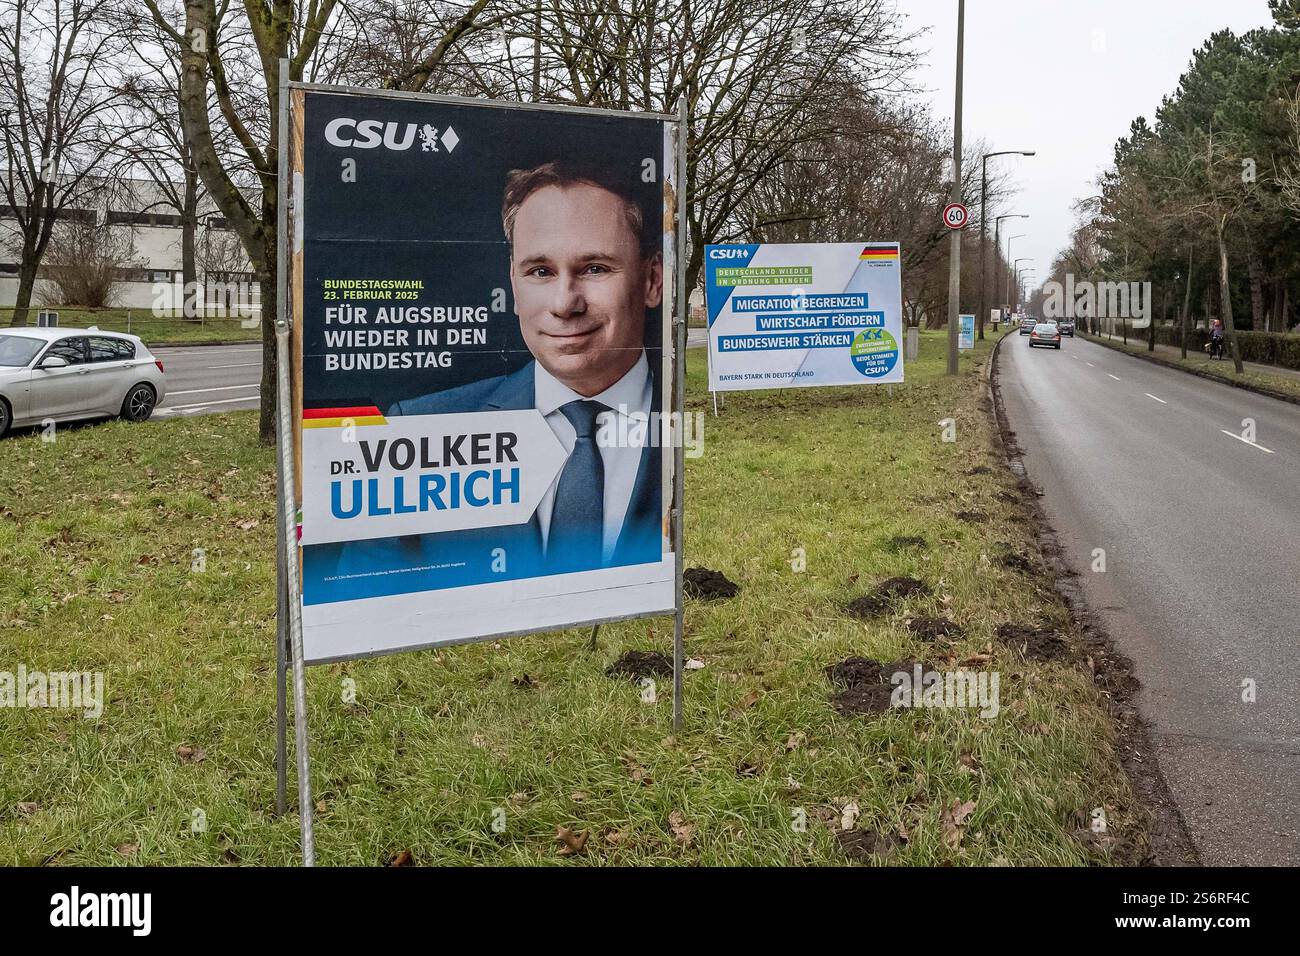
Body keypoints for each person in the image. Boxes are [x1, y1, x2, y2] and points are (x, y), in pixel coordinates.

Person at [319, 160, 665, 592]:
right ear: (513, 282)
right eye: (540, 271)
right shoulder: (419, 428)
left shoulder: (699, 436)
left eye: (594, 268)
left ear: (652, 279)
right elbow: (360, 605)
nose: (564, 303)